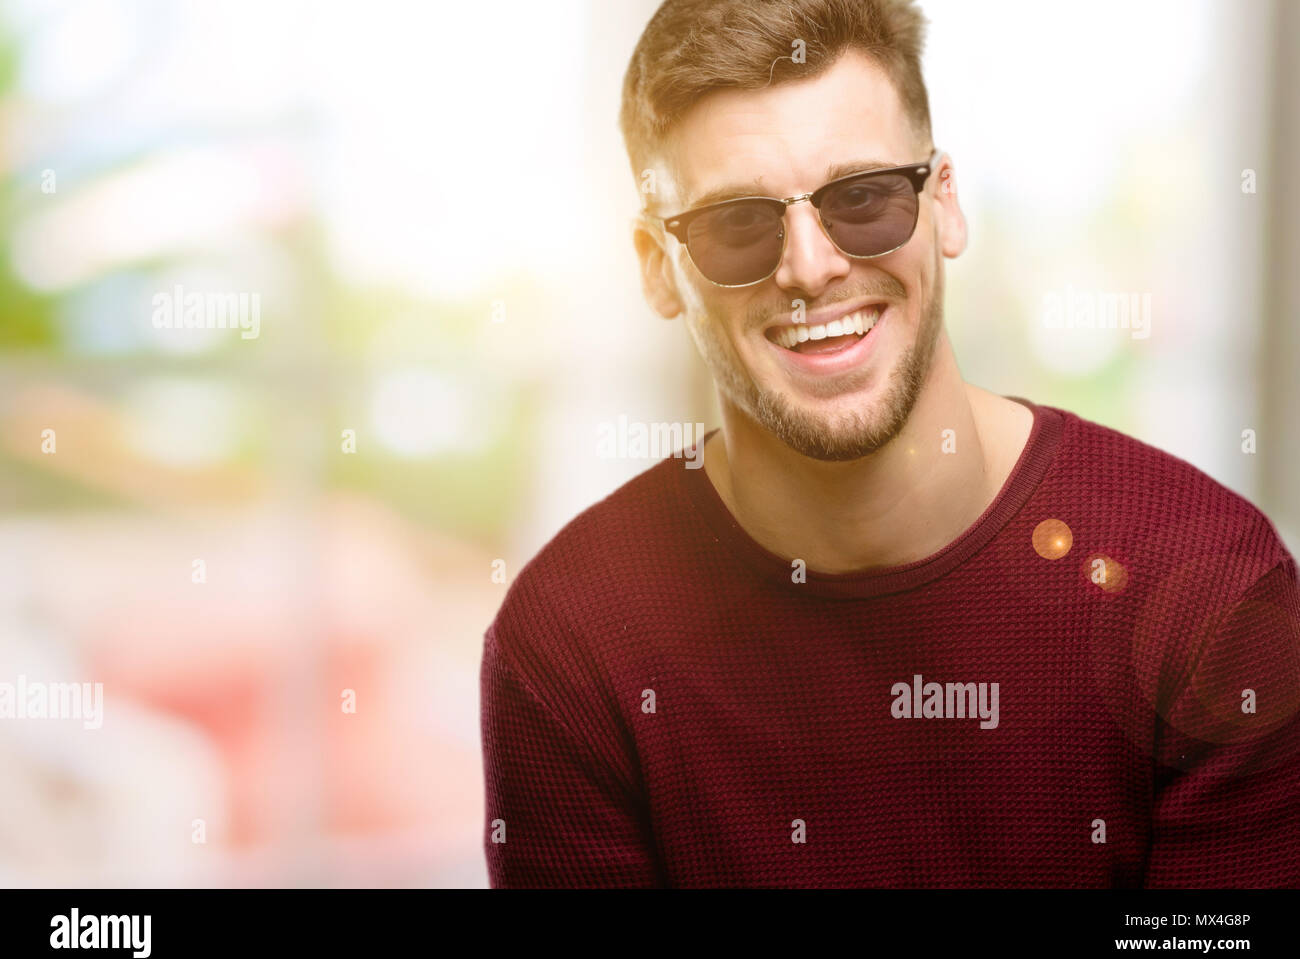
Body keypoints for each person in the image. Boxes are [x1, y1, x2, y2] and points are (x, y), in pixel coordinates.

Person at [480, 0, 1300, 887]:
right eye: (738, 224)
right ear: (656, 267)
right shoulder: (568, 644)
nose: (810, 267)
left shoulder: (1213, 590)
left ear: (944, 204)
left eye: (861, 198)